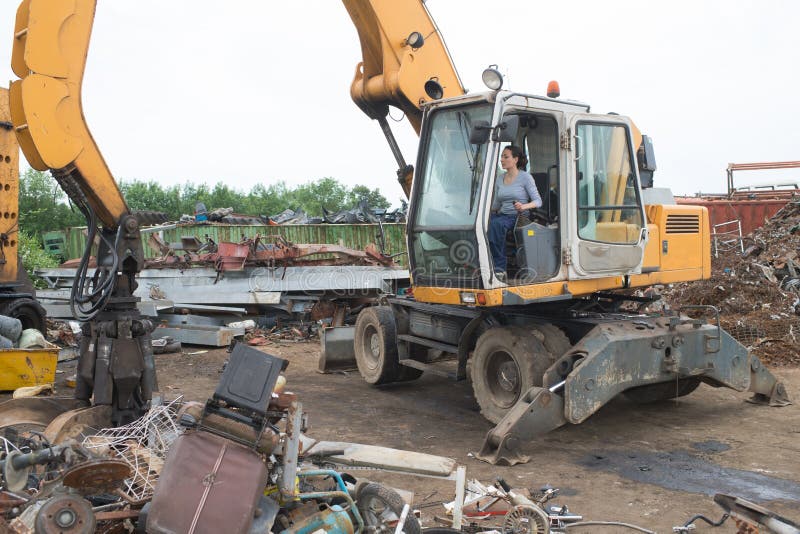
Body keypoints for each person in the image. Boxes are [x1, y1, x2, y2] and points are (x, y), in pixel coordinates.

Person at [488, 145, 542, 281]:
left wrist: (523, 206)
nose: (502, 159)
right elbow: (496, 204)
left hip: (518, 216)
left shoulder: (525, 178)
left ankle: (499, 269)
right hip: (502, 215)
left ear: (515, 159)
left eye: (506, 157)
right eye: (501, 157)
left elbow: (538, 201)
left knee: (495, 225)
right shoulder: (500, 179)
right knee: (483, 224)